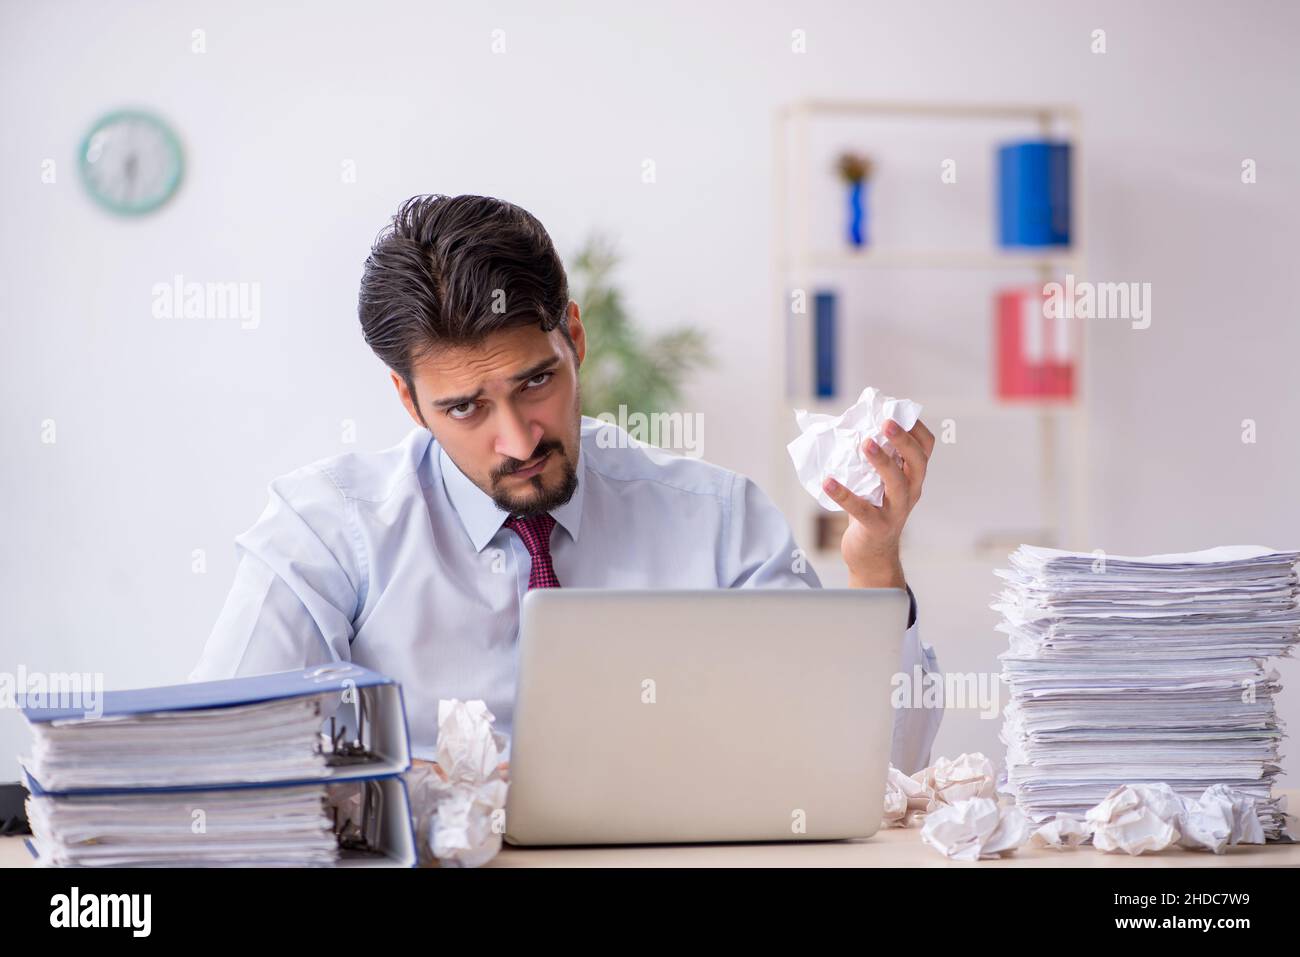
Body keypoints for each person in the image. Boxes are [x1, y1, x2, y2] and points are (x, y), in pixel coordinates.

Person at [190, 194, 944, 774]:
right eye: (465, 408)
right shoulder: (328, 530)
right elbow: (218, 753)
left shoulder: (717, 522)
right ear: (407, 400)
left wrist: (874, 563)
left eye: (536, 381)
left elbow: (880, 772)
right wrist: (408, 788)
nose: (517, 439)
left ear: (574, 339)